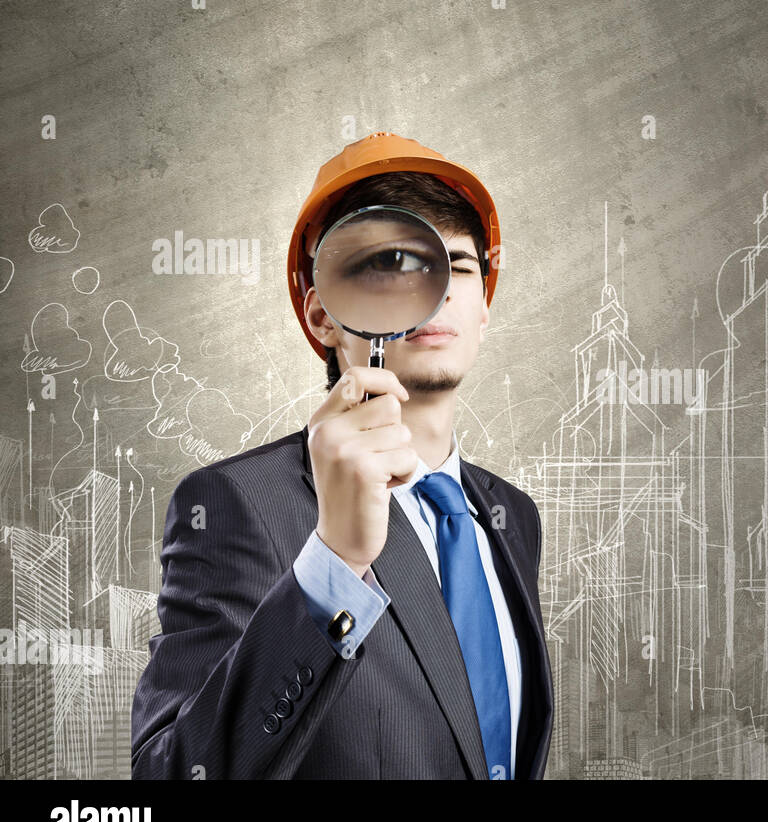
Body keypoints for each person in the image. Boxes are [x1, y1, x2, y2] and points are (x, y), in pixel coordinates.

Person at [131, 132, 552, 779]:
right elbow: (172, 771)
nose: (433, 291)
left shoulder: (512, 515)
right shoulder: (236, 504)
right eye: (387, 264)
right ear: (323, 313)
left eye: (458, 265)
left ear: (484, 305)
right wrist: (334, 564)